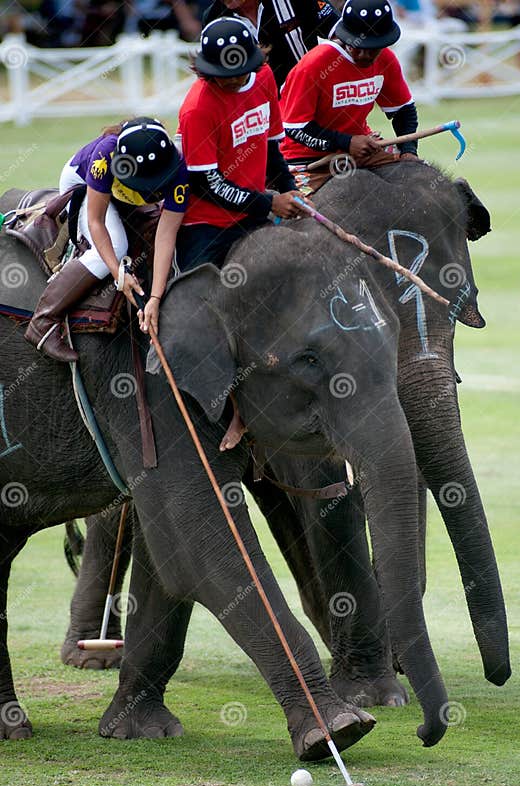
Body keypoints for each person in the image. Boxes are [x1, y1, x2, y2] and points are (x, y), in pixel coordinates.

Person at [138, 18, 304, 449]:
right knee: (203, 313)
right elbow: (207, 185)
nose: (229, 83)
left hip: (252, 209)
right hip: (206, 222)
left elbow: (270, 147)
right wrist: (269, 203)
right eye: (219, 77)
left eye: (235, 75)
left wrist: (291, 190)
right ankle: (233, 407)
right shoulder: (198, 107)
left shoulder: (264, 79)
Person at [25, 117, 189, 363]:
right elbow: (96, 221)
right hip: (83, 184)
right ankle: (44, 321)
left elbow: (166, 234)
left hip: (125, 196)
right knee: (116, 246)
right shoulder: (105, 156)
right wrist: (119, 275)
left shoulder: (179, 169)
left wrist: (154, 298)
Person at [279, 0, 420, 173]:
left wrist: (408, 150)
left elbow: (403, 110)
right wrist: (347, 142)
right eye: (357, 46)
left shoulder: (386, 59)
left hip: (362, 149)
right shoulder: (314, 65)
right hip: (307, 156)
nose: (363, 55)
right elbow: (295, 128)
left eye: (372, 48)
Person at [202, 0, 339, 88]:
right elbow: (214, 78)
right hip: (261, 112)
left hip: (314, 93)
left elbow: (341, 35)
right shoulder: (214, 19)